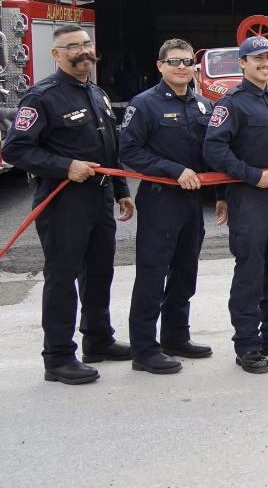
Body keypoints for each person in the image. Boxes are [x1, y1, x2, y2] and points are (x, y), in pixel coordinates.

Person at [1, 24, 135, 385]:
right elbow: (15, 149)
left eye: (86, 44)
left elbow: (109, 147)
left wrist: (121, 188)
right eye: (72, 47)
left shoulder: (97, 93)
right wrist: (65, 166)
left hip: (100, 197)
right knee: (62, 279)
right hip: (64, 201)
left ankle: (98, 341)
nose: (82, 51)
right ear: (56, 55)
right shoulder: (41, 96)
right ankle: (58, 357)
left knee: (99, 272)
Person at [119, 38, 227, 375]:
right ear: (160, 66)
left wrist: (221, 192)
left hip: (193, 203)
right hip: (160, 199)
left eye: (187, 62)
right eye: (174, 62)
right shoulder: (144, 104)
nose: (182, 67)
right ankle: (144, 350)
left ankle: (175, 336)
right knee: (152, 275)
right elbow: (129, 152)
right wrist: (174, 170)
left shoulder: (204, 105)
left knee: (185, 272)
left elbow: (213, 153)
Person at [203, 36, 268, 374]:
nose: (265, 64)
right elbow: (214, 150)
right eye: (258, 59)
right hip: (250, 198)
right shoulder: (231, 103)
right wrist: (251, 175)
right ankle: (247, 345)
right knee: (251, 274)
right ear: (243, 63)